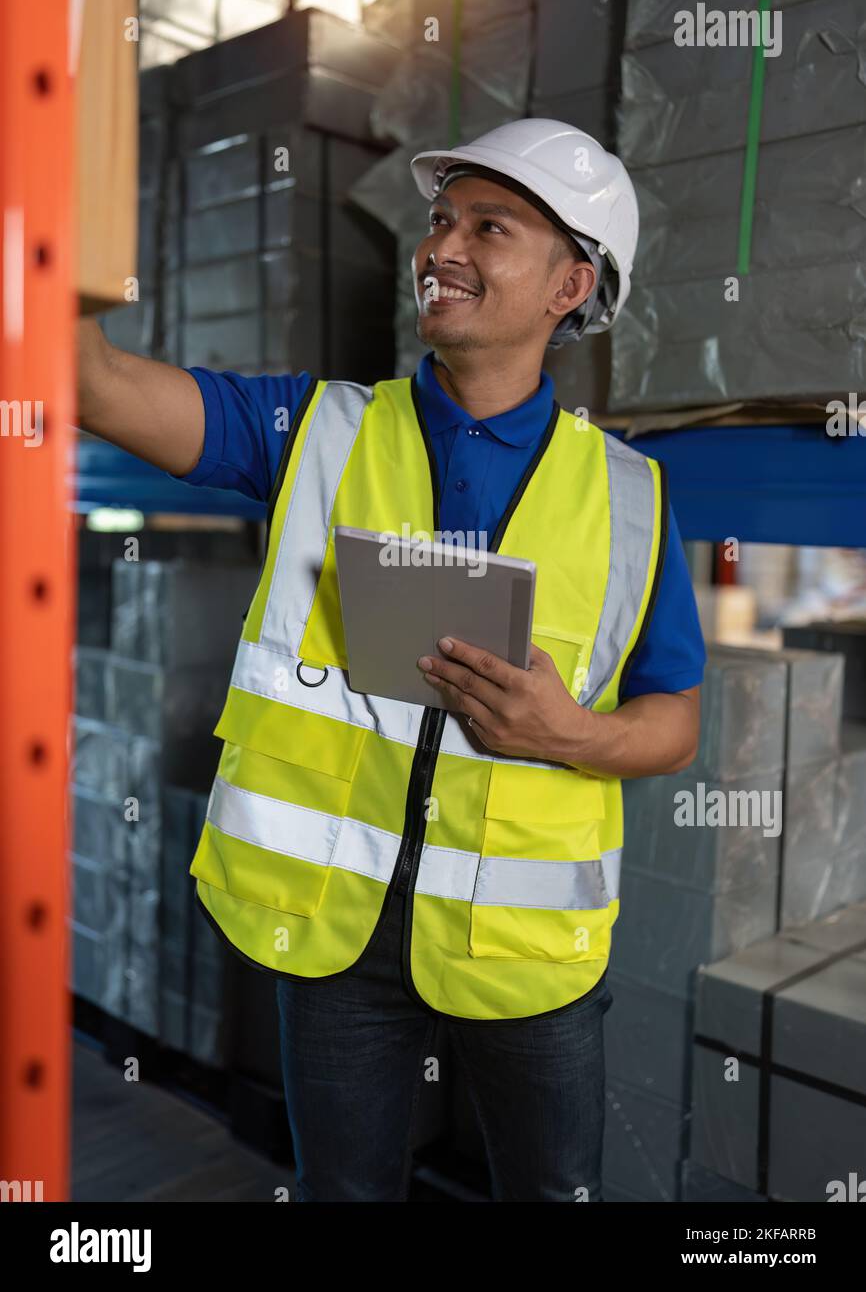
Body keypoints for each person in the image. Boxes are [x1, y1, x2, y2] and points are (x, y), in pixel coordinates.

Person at [77, 118, 705, 1202]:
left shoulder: (630, 500)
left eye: (488, 227)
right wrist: (62, 195)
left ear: (569, 285)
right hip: (337, 935)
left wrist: (573, 734)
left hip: (525, 948)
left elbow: (674, 715)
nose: (440, 248)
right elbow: (89, 383)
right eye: (438, 220)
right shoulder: (308, 429)